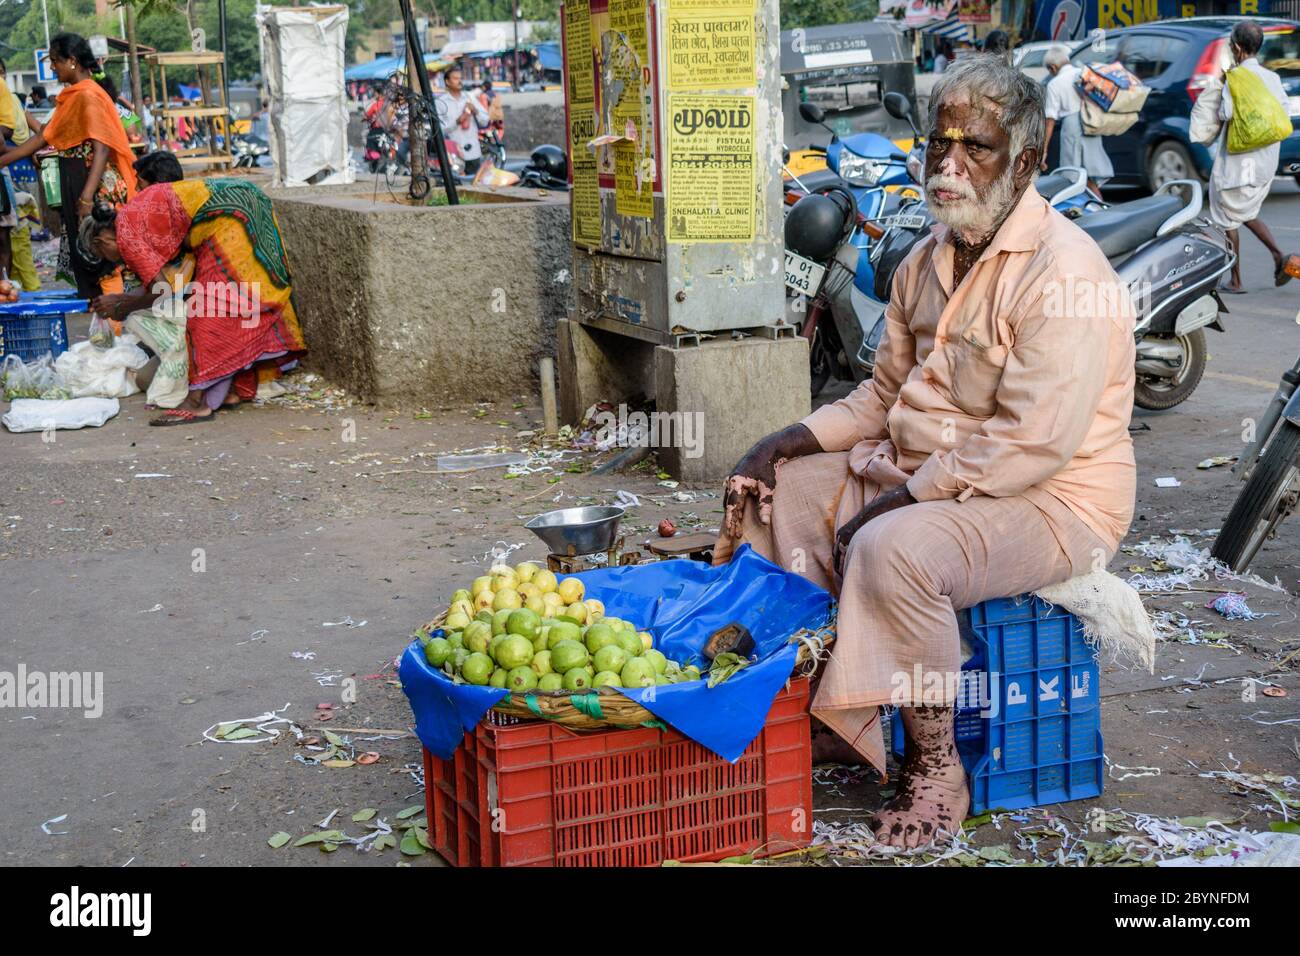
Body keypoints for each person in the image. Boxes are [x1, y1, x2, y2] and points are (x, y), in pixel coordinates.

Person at [714, 56, 1136, 849]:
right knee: (776, 496)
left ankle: (936, 766)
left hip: (1056, 501)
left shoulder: (1065, 274)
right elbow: (882, 397)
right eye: (937, 145)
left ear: (1026, 156)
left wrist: (906, 497)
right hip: (936, 473)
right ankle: (847, 714)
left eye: (972, 147)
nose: (947, 166)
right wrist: (782, 443)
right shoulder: (927, 257)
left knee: (893, 547)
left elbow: (1030, 443)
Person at [84, 177, 307, 425]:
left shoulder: (126, 235)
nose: (115, 263)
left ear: (100, 242)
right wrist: (122, 302)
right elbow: (163, 284)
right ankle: (230, 389)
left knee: (209, 312)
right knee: (242, 303)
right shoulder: (132, 215)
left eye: (104, 256)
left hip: (228, 218)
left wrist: (123, 304)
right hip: (247, 200)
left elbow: (161, 292)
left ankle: (197, 402)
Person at [0, 33, 137, 298]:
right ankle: (99, 322)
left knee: (100, 257)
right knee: (84, 254)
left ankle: (111, 326)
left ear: (72, 61)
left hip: (93, 184)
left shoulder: (87, 95)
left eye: (55, 61)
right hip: (75, 177)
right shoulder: (72, 96)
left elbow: (101, 147)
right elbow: (43, 137)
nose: (52, 67)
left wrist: (86, 196)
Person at [1193, 21, 1293, 292]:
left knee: (1228, 217)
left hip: (1240, 162)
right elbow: (1283, 111)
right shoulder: (1271, 78)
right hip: (1266, 162)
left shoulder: (1234, 79)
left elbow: (1224, 114)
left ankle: (1236, 280)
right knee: (1245, 212)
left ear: (1236, 48)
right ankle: (1279, 256)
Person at [1042, 44, 1113, 197]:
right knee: (1089, 174)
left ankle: (1088, 209)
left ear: (1053, 67)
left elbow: (1050, 120)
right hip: (1091, 123)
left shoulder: (1054, 84)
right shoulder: (1082, 73)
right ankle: (1099, 205)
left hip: (1072, 126)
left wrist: (1044, 149)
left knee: (1072, 174)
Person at [436, 66, 489, 175]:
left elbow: (485, 120)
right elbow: (439, 129)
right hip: (453, 154)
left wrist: (475, 111)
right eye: (455, 78)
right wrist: (457, 122)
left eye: (460, 78)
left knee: (474, 185)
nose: (459, 81)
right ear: (447, 81)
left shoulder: (469, 97)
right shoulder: (441, 102)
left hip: (473, 150)